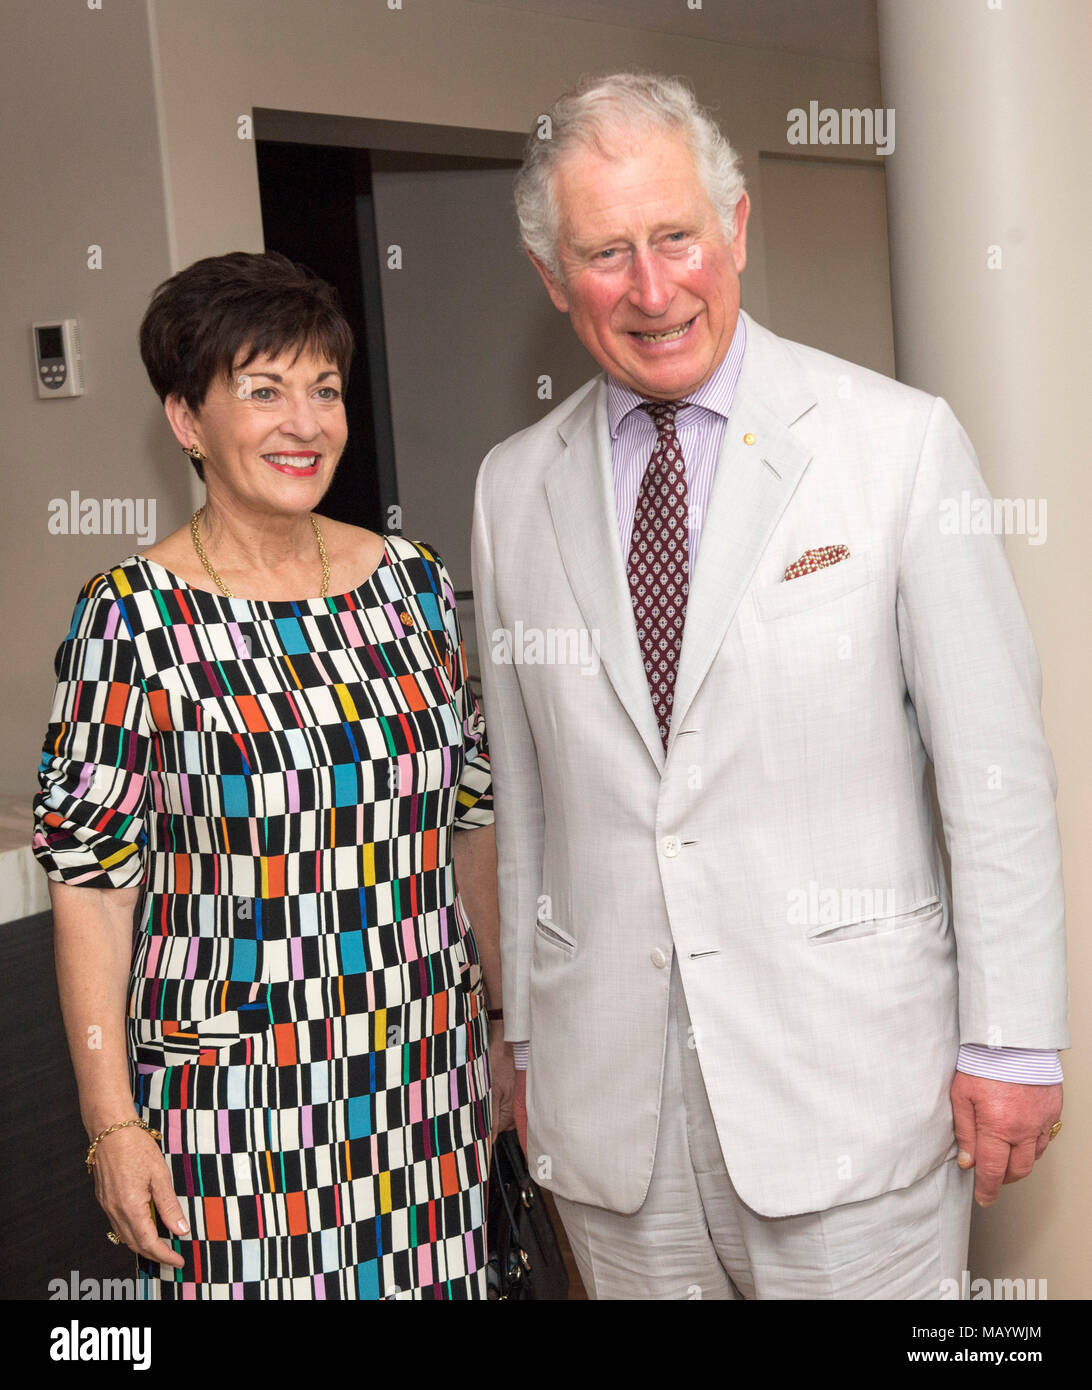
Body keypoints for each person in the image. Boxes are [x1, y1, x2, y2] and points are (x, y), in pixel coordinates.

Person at [471, 73, 1068, 1300]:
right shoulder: (509, 486)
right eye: (606, 252)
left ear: (736, 227)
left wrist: (1012, 1038)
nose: (653, 288)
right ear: (551, 277)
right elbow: (528, 798)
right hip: (611, 1117)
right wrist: (526, 1037)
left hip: (851, 1099)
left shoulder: (897, 445)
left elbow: (994, 771)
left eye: (677, 236)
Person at [33, 250, 512, 1299]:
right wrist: (112, 1123)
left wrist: (500, 1029)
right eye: (263, 390)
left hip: (422, 1081)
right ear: (187, 420)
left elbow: (469, 815)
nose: (305, 421)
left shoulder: (414, 585)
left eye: (324, 390)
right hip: (237, 1112)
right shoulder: (130, 618)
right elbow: (90, 889)